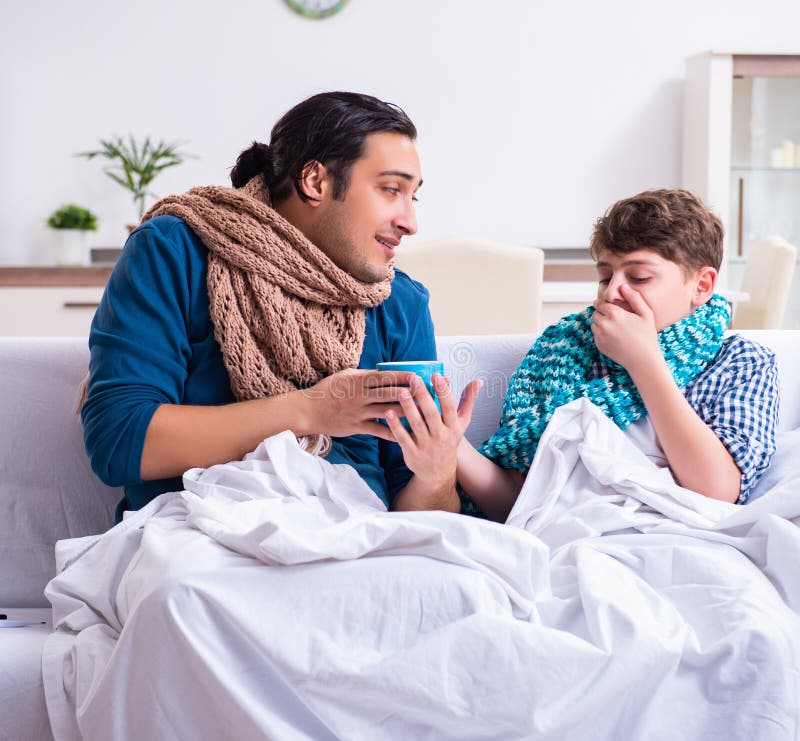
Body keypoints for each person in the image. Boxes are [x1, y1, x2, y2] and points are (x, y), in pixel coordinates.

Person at [81, 91, 478, 522]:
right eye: (390, 190)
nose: (410, 222)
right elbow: (119, 439)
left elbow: (419, 515)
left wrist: (437, 473)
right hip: (199, 531)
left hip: (360, 539)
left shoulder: (400, 302)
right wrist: (311, 410)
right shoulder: (175, 252)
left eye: (412, 197)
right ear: (315, 181)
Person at [385, 189, 779, 522]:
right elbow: (518, 506)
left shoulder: (742, 363)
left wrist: (644, 362)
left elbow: (717, 492)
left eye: (639, 277)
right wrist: (455, 446)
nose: (613, 291)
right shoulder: (560, 354)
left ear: (702, 285)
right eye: (605, 276)